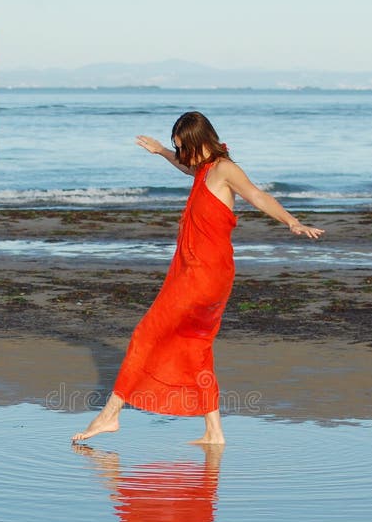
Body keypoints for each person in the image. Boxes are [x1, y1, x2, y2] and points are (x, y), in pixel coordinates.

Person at [72, 111, 324, 445]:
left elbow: (257, 195)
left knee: (146, 334)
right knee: (196, 346)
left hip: (203, 275)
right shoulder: (204, 168)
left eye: (181, 147)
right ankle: (214, 432)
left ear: (198, 141)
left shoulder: (224, 169)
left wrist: (291, 221)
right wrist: (162, 151)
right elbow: (187, 167)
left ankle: (110, 415)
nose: (180, 154)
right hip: (203, 272)